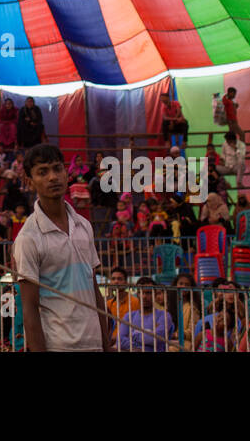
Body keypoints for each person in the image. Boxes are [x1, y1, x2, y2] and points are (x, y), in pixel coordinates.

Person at [12, 144, 111, 351]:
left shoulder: (84, 226)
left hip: (94, 345)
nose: (52, 177)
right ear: (30, 183)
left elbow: (94, 291)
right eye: (43, 172)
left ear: (67, 174)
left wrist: (106, 344)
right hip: (59, 345)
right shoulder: (28, 237)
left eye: (57, 169)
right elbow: (29, 308)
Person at [117, 281, 174, 352]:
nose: (144, 296)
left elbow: (155, 340)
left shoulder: (164, 315)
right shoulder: (129, 316)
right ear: (137, 294)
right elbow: (119, 341)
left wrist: (133, 335)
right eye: (140, 292)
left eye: (148, 293)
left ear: (155, 294)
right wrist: (139, 348)